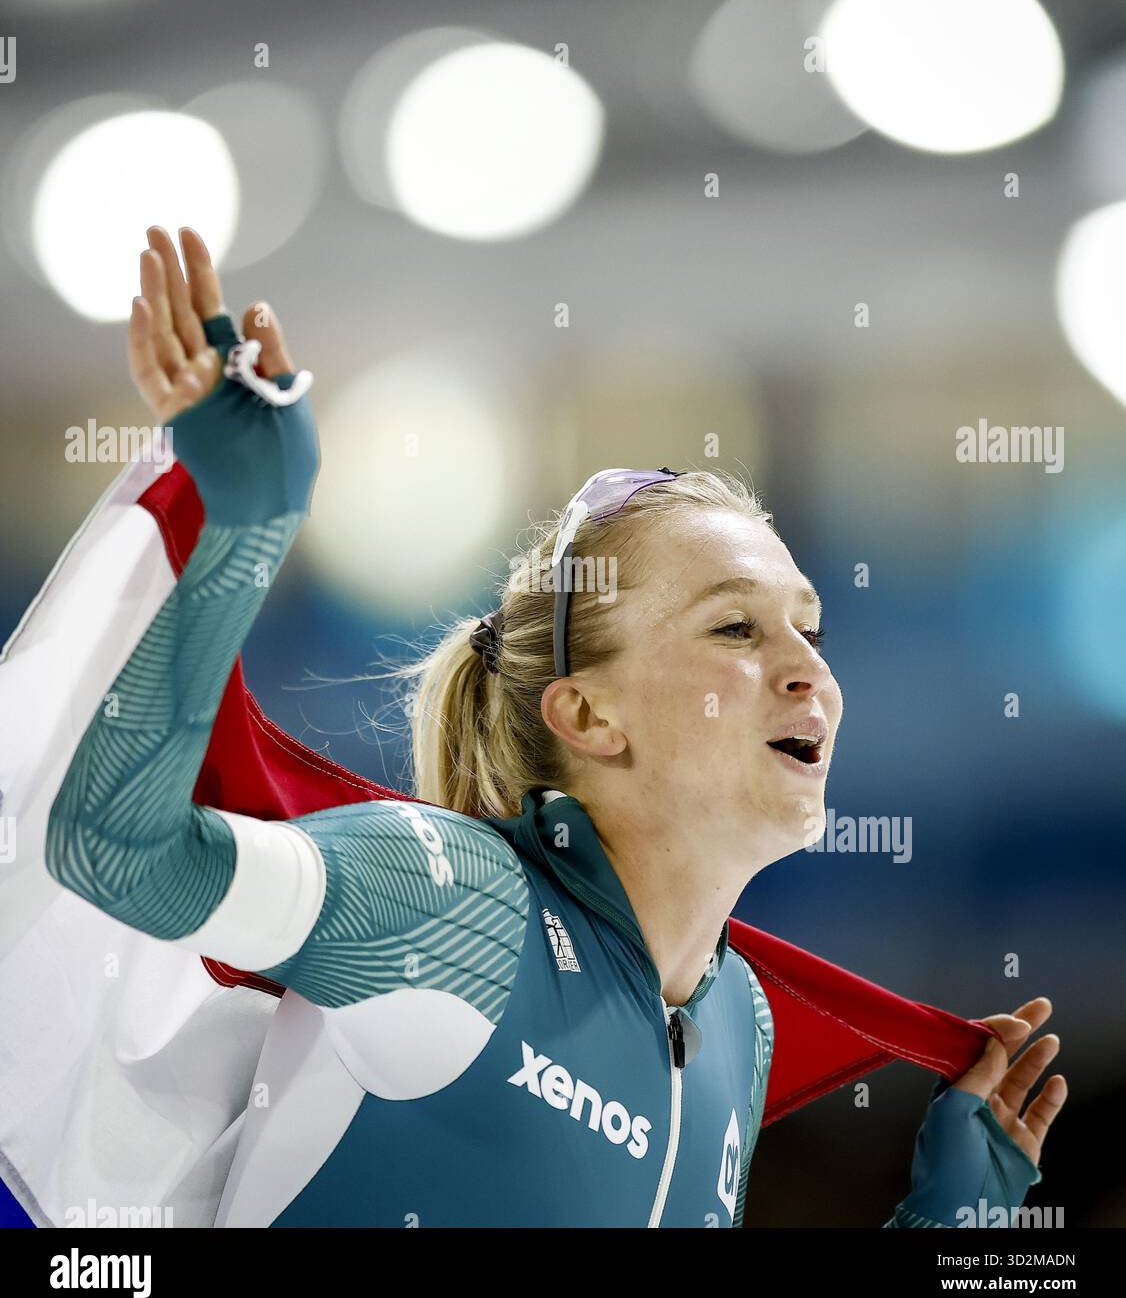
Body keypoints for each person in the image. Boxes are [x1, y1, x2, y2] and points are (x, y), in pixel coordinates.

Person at [43, 226, 1066, 1227]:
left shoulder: (736, 1023)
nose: (810, 671)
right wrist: (249, 517)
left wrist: (951, 1225)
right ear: (587, 713)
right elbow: (113, 851)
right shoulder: (446, 899)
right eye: (734, 626)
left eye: (810, 626)